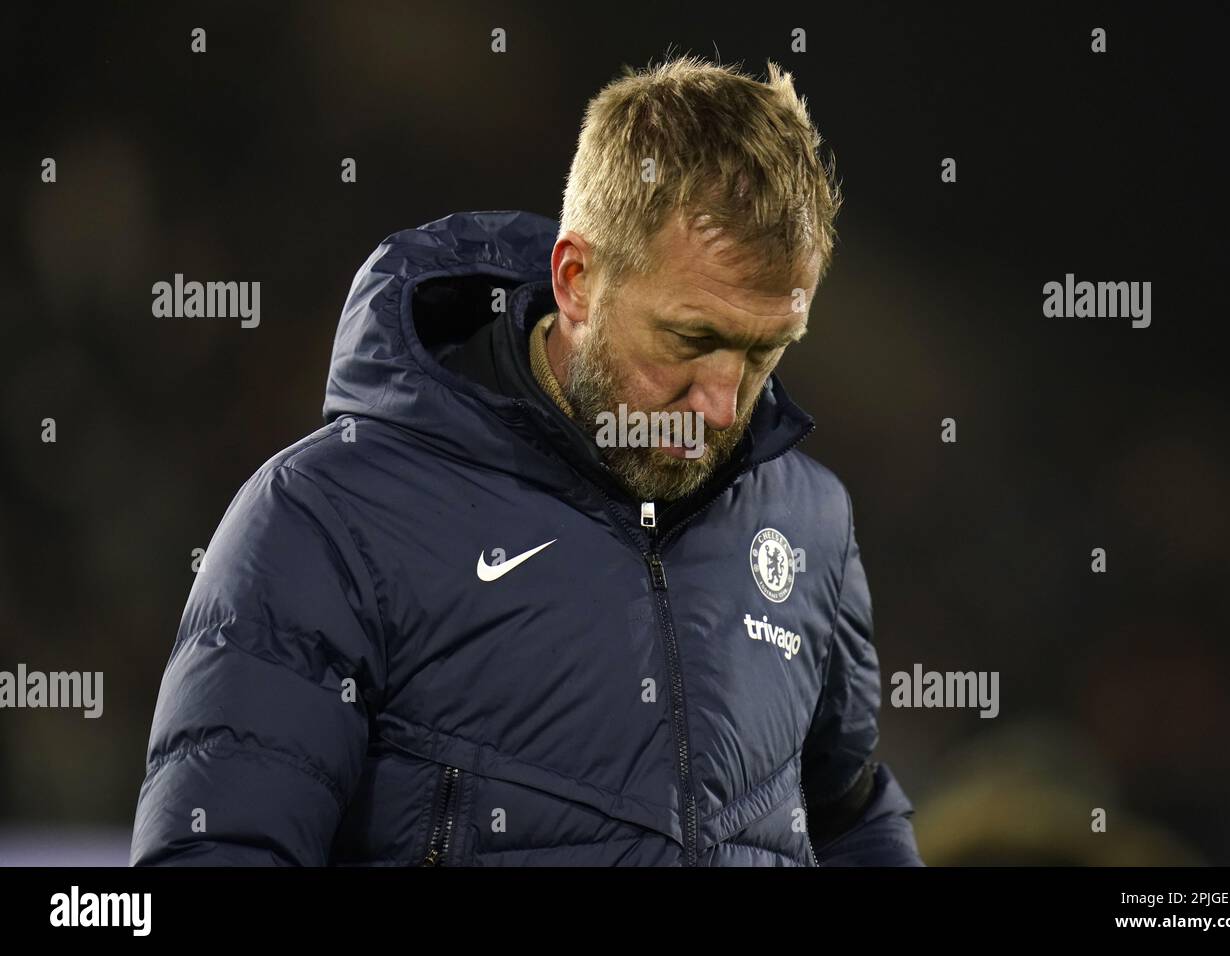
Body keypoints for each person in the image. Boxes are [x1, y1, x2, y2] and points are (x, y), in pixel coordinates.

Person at [130, 56, 923, 866]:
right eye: (693, 340)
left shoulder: (809, 524)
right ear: (576, 279)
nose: (722, 405)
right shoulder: (327, 518)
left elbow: (850, 819)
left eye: (764, 353)